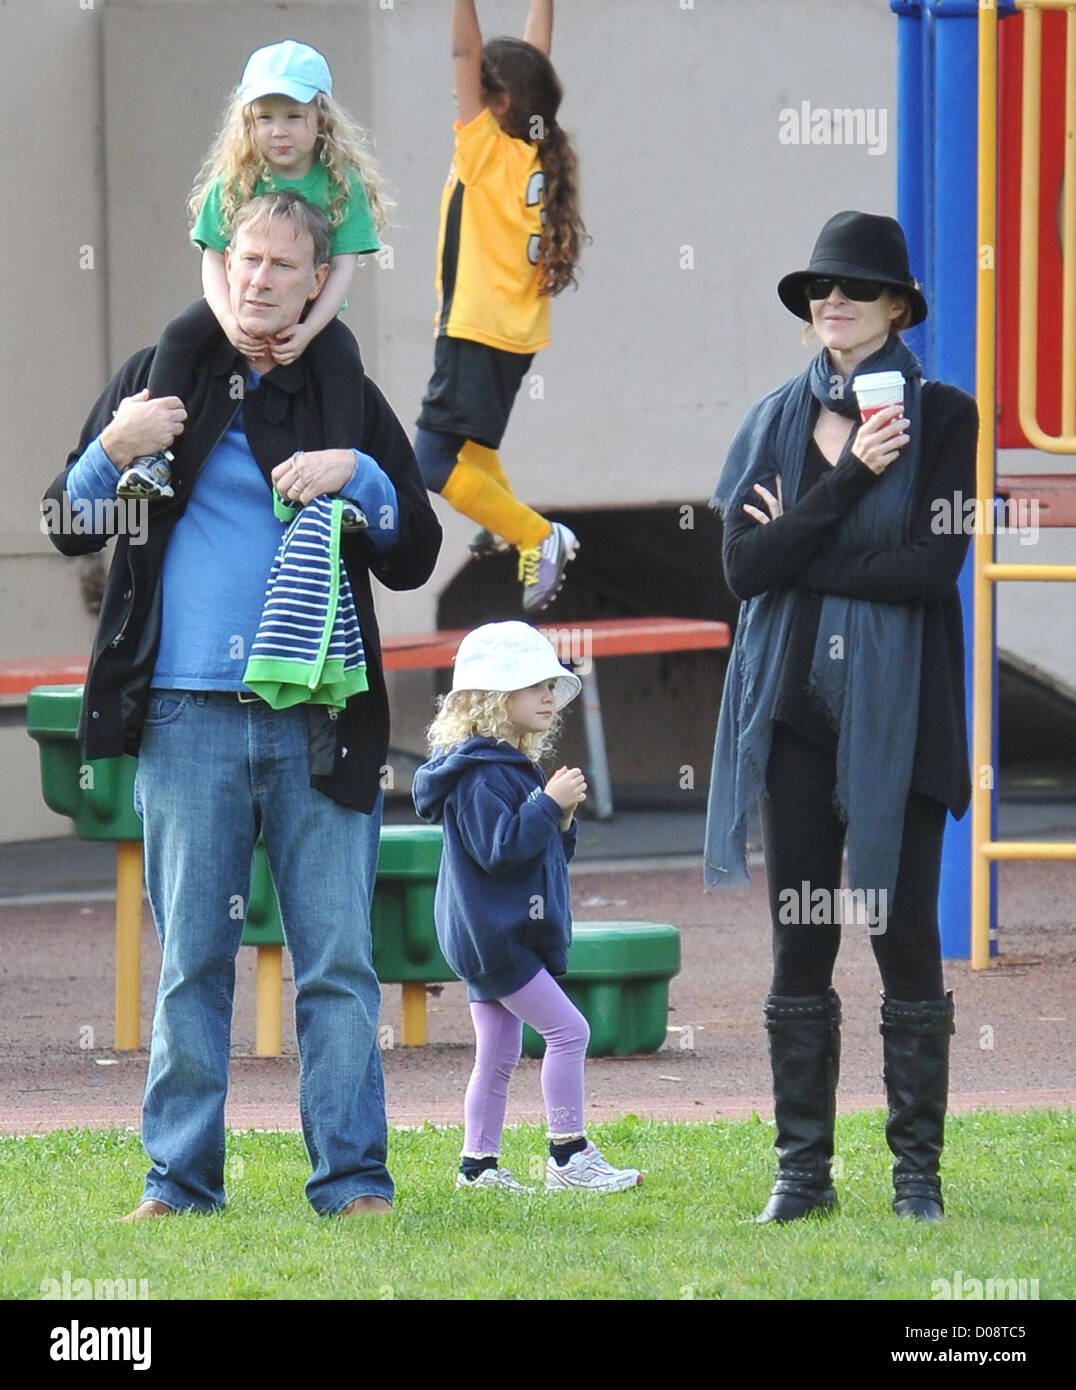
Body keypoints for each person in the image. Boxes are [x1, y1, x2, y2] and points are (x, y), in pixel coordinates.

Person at [43, 191, 442, 1218]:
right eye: (244, 259)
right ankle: (176, 1184)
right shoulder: (156, 374)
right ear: (219, 264)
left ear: (319, 281)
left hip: (321, 714)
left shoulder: (344, 393)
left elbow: (415, 553)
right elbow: (68, 522)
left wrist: (363, 478)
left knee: (337, 960)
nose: (257, 278)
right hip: (186, 715)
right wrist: (115, 447)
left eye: (281, 266)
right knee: (194, 962)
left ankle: (352, 1182)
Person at [704, 211, 978, 1224]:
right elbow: (740, 569)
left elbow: (927, 570)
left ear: (897, 308)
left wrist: (802, 547)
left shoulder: (943, 416)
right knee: (797, 941)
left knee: (903, 934)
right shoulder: (775, 419)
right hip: (790, 710)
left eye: (855, 289)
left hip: (901, 715)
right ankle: (801, 1174)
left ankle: (916, 1177)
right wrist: (854, 477)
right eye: (821, 288)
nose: (832, 301)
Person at [117, 37, 388, 529]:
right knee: (178, 335)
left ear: (319, 119)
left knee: (342, 360)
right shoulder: (238, 177)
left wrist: (309, 330)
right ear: (248, 122)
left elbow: (343, 266)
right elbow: (212, 258)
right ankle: (152, 458)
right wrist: (227, 320)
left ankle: (340, 476)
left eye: (292, 117)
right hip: (233, 307)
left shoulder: (339, 180)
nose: (278, 132)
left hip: (311, 311)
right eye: (265, 118)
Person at [412, 622, 642, 1193]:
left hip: (494, 935)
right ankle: (569, 1155)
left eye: (549, 687)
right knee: (570, 1032)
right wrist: (546, 804)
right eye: (533, 686)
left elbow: (542, 852)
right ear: (493, 698)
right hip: (497, 937)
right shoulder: (481, 775)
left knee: (497, 1052)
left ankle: (478, 1167)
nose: (548, 698)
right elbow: (500, 852)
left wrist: (557, 817)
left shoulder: (508, 766)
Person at [413, 0, 587, 614]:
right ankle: (502, 522)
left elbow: (464, 51)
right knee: (473, 450)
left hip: (476, 333)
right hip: (510, 338)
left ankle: (534, 534)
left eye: (475, 91)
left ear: (500, 104)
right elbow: (532, 61)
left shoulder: (485, 151)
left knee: (429, 459)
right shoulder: (537, 148)